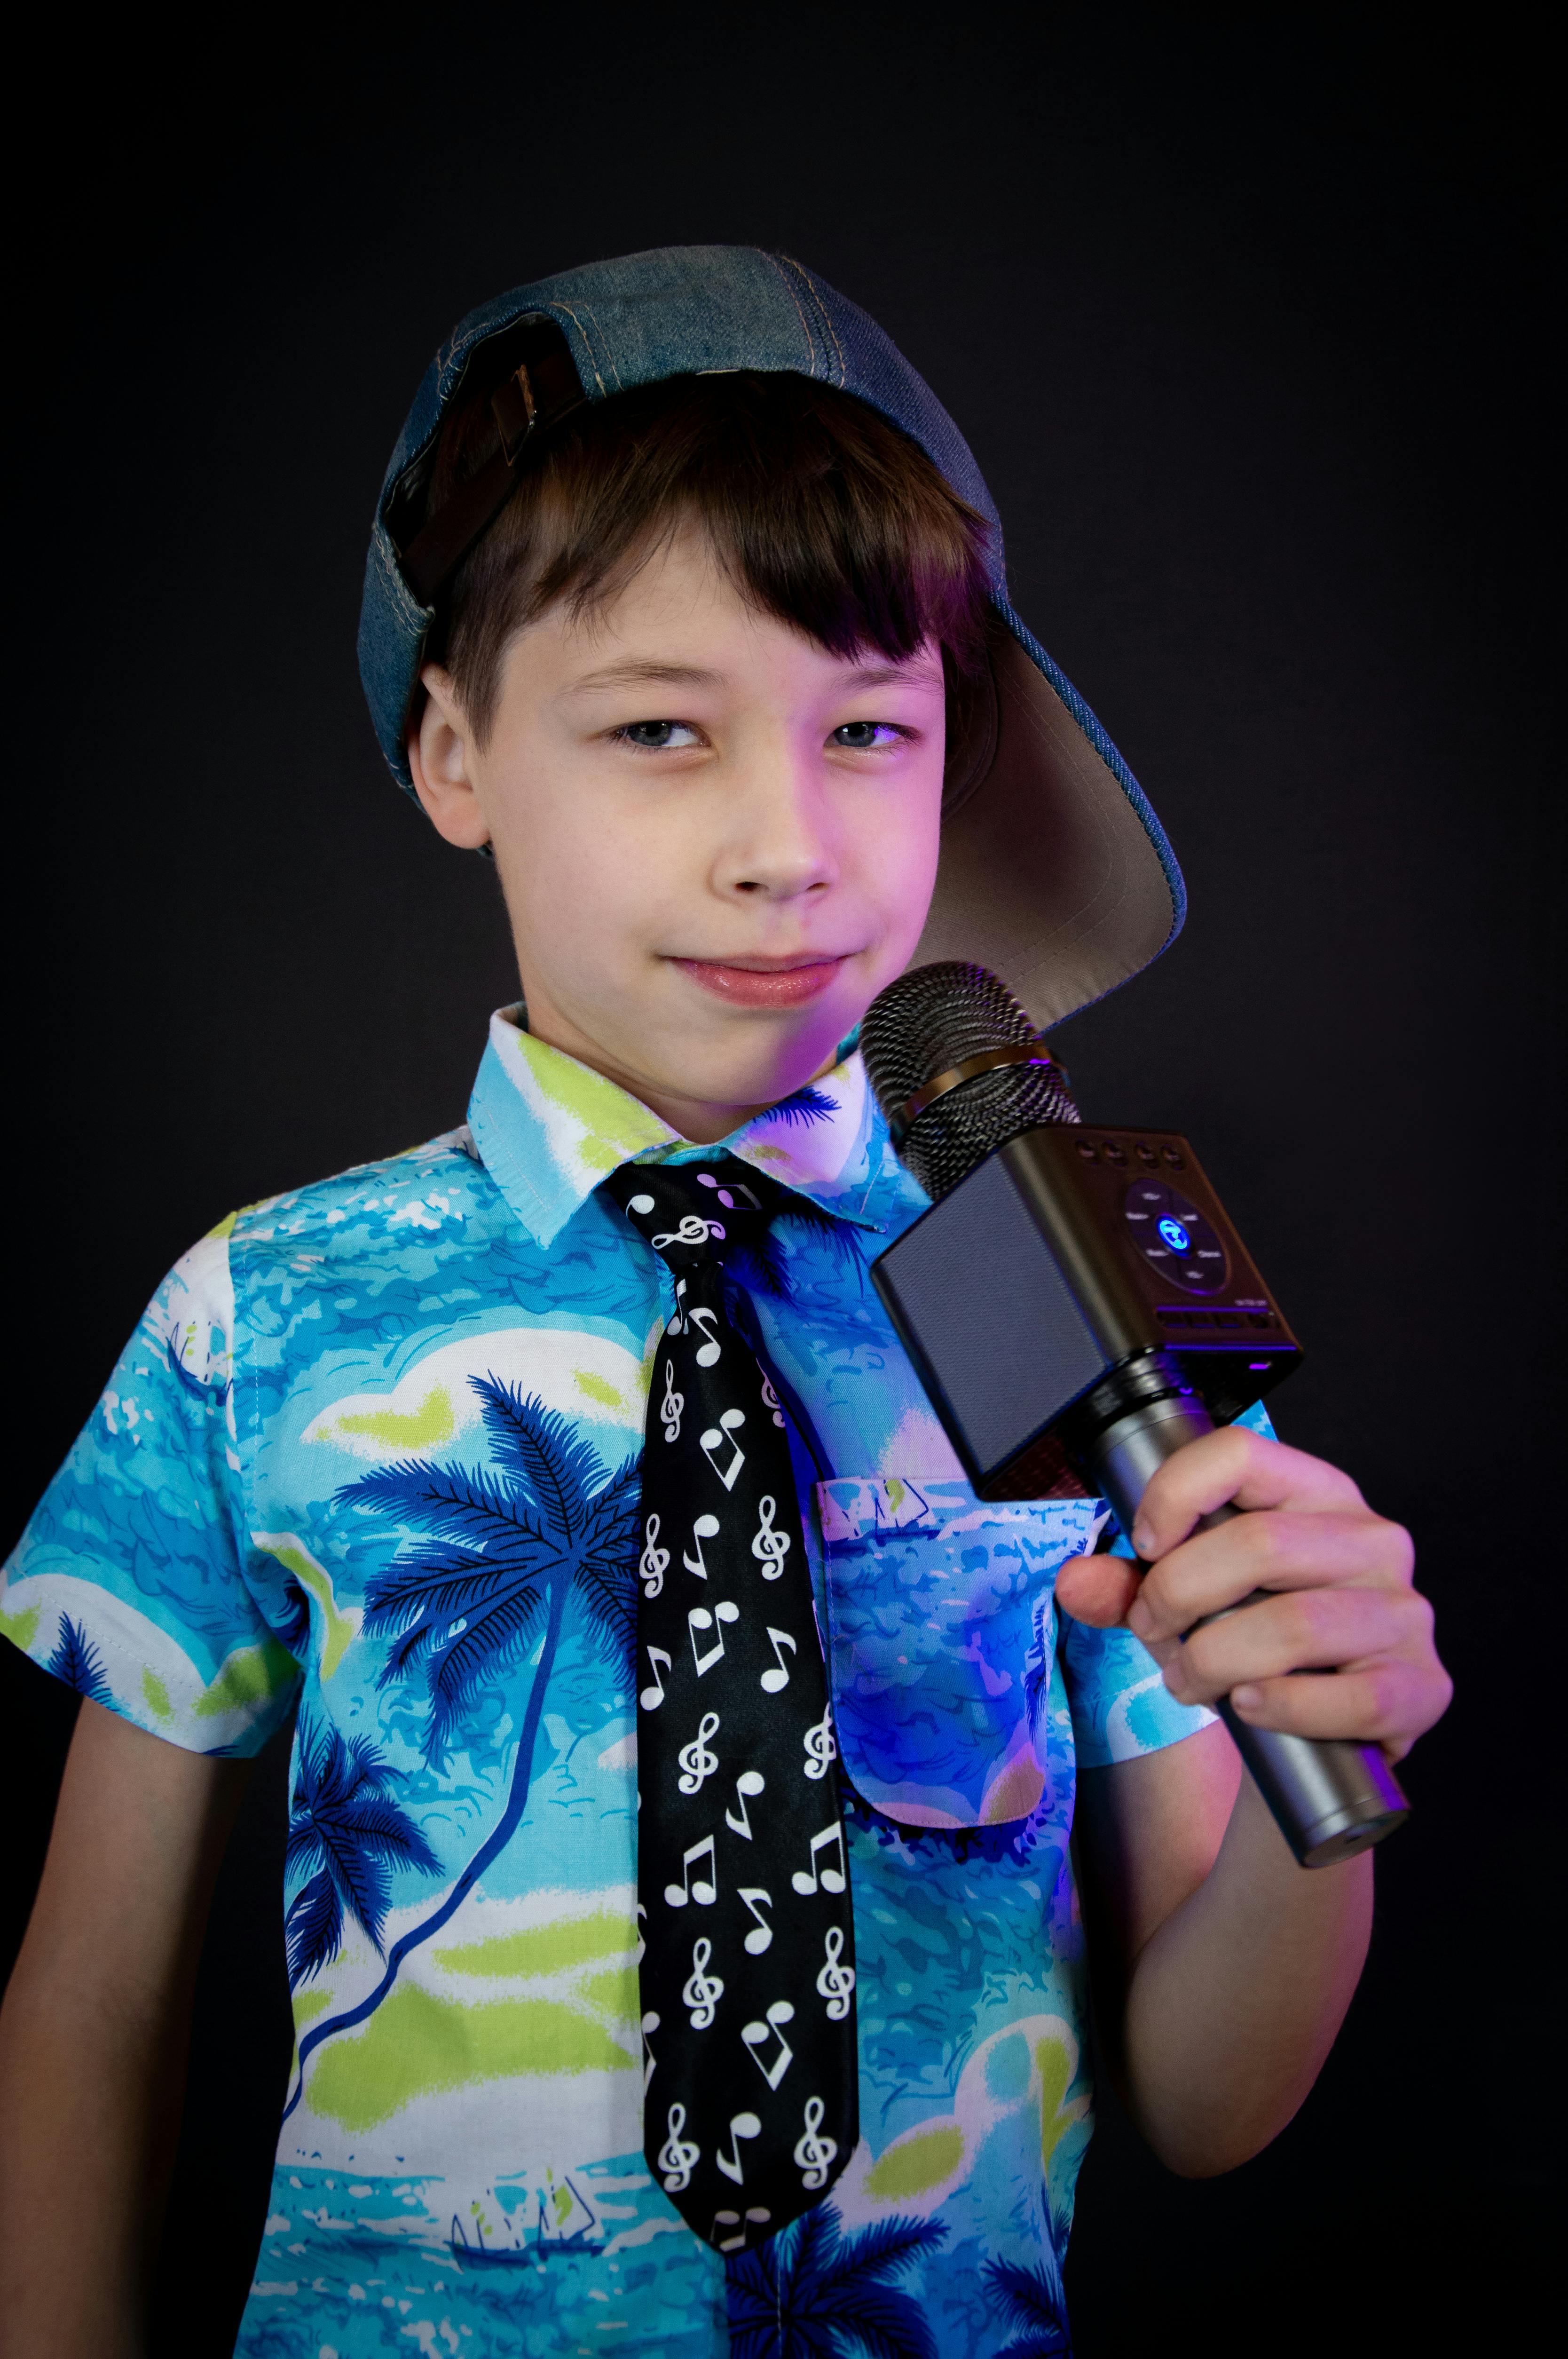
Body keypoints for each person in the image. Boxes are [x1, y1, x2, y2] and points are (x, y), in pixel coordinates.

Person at [0, 246, 1450, 2358]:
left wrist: (1324, 1790)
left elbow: (1209, 2102)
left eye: (869, 728)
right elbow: (89, 2004)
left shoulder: (1079, 1311)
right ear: (457, 754)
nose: (789, 846)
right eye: (660, 728)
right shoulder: (259, 1315)